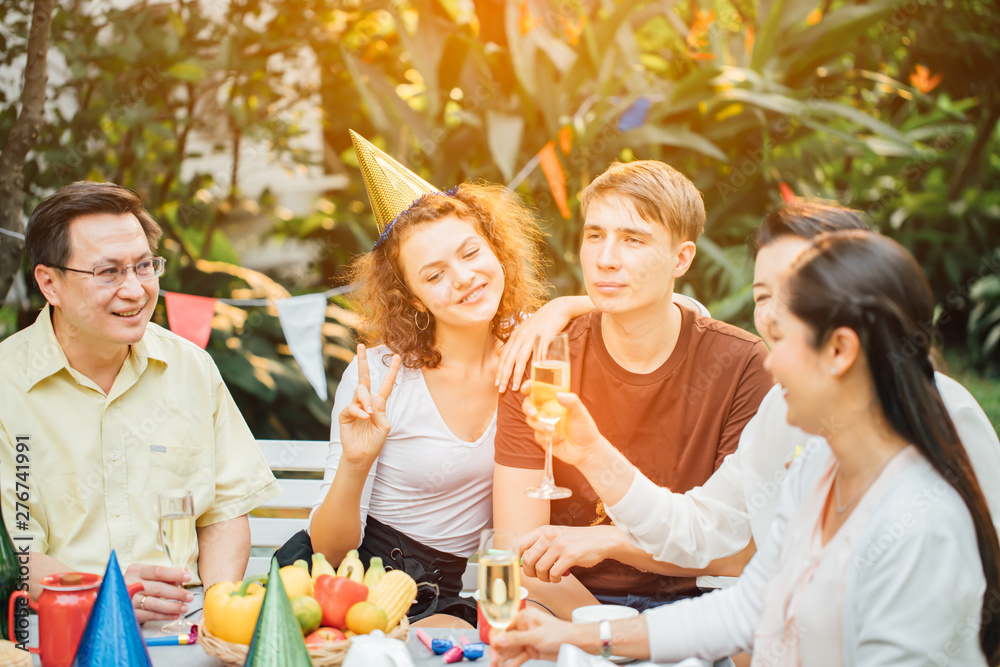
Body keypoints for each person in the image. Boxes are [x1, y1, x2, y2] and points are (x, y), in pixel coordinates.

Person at [493, 231, 1000, 666]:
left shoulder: (922, 521)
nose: (768, 364)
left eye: (783, 342)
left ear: (841, 350)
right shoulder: (815, 473)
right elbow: (746, 606)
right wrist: (571, 636)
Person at [493, 160, 774, 618]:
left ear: (681, 259)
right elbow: (518, 555)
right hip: (568, 605)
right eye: (595, 235)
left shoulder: (742, 365)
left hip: (698, 609)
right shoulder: (543, 358)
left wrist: (610, 543)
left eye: (633, 239)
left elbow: (737, 550)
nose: (606, 258)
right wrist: (602, 629)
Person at [0, 181, 281, 623]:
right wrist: (106, 600)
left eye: (144, 266)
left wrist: (218, 608)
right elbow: (15, 553)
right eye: (108, 272)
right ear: (49, 283)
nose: (135, 290)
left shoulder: (191, 368)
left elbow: (224, 512)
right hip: (56, 628)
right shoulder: (6, 386)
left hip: (183, 626)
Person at [305, 132, 547, 626]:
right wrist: (356, 461)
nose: (462, 277)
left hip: (439, 592)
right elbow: (326, 549)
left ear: (496, 250)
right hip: (343, 586)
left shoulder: (535, 351)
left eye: (470, 253)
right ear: (412, 298)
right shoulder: (380, 377)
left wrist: (568, 305)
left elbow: (675, 310)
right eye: (434, 275)